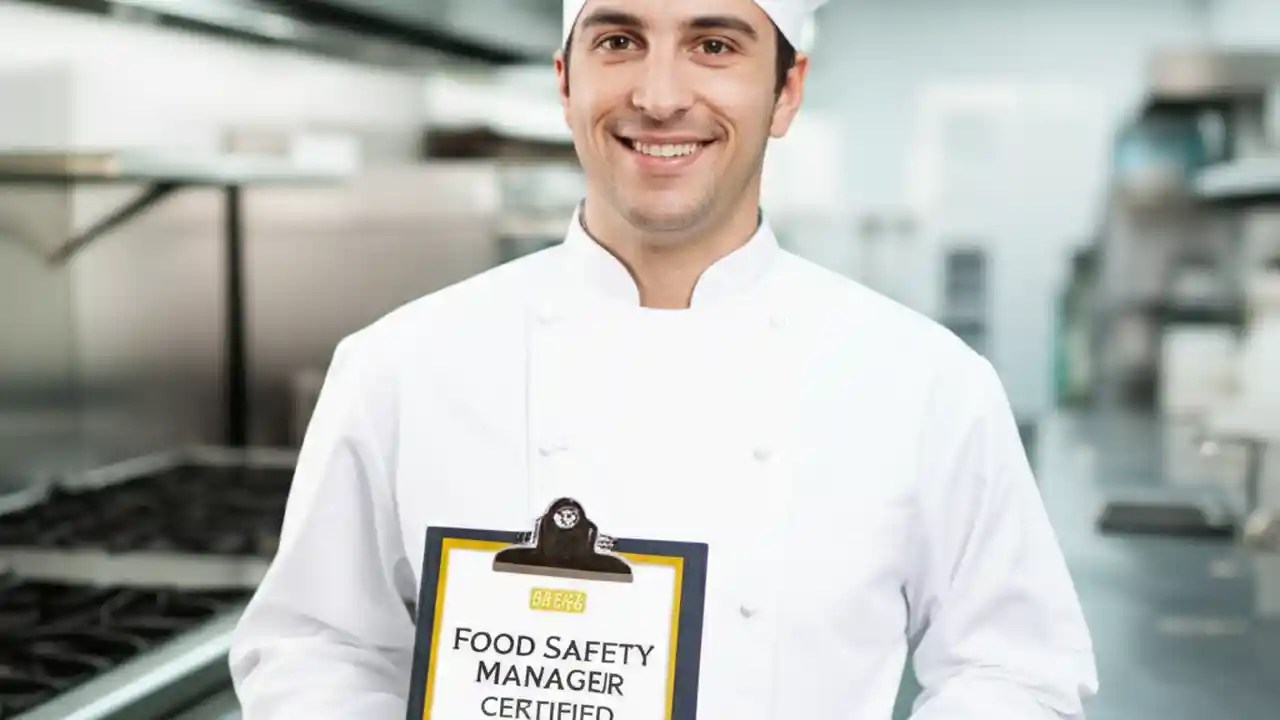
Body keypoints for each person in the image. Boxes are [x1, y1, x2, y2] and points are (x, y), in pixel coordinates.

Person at [229, 0, 1099, 717]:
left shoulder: (925, 385)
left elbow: (1017, 670)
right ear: (566, 80)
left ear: (786, 91)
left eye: (714, 44)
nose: (658, 94)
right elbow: (318, 647)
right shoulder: (399, 366)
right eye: (618, 41)